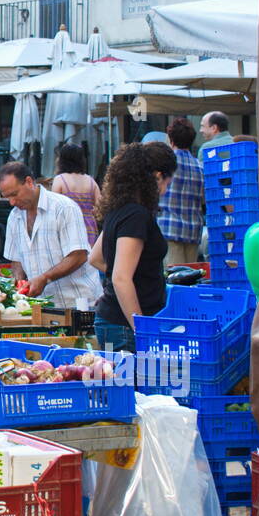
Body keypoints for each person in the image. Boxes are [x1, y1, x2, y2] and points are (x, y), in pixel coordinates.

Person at [89, 142, 177, 352]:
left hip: (112, 320)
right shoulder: (136, 216)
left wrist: (137, 277)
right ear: (156, 177)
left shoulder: (119, 210)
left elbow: (95, 258)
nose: (165, 190)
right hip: (123, 327)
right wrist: (142, 329)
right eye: (167, 183)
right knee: (134, 385)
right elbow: (120, 278)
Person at [0, 161, 102, 310]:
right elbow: (16, 260)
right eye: (7, 197)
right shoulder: (14, 217)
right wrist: (18, 282)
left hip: (78, 302)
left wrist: (44, 278)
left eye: (14, 194)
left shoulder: (64, 208)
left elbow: (78, 255)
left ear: (29, 182)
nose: (12, 202)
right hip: (43, 306)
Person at [159, 117, 204, 266]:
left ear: (171, 139)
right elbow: (203, 200)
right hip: (193, 231)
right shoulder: (200, 166)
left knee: (173, 279)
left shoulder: (165, 163)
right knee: (190, 279)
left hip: (169, 228)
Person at [50, 143, 101, 247]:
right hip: (89, 229)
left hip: (68, 228)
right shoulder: (91, 181)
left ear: (61, 160)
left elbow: (53, 209)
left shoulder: (60, 180)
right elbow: (100, 209)